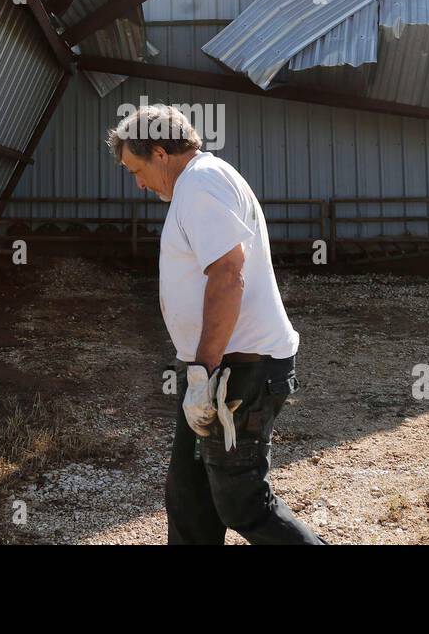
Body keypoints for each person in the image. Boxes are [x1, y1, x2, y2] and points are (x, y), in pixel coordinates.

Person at [107, 103, 324, 545]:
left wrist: (203, 374)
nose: (139, 183)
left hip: (240, 370)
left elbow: (228, 275)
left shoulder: (202, 183)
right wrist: (199, 373)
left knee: (240, 499)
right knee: (190, 497)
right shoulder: (198, 183)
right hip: (218, 369)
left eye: (136, 169)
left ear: (161, 153)